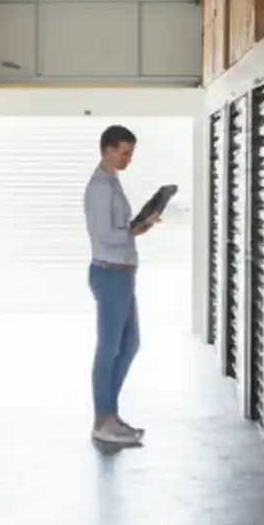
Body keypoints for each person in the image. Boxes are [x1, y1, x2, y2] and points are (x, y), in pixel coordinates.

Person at [84, 125, 159, 446]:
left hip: (122, 273)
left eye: (131, 153)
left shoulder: (112, 183)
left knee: (129, 345)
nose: (128, 158)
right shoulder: (100, 188)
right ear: (107, 150)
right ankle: (102, 420)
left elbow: (117, 229)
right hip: (110, 274)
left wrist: (137, 225)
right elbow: (105, 235)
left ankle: (110, 415)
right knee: (109, 349)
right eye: (124, 152)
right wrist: (135, 230)